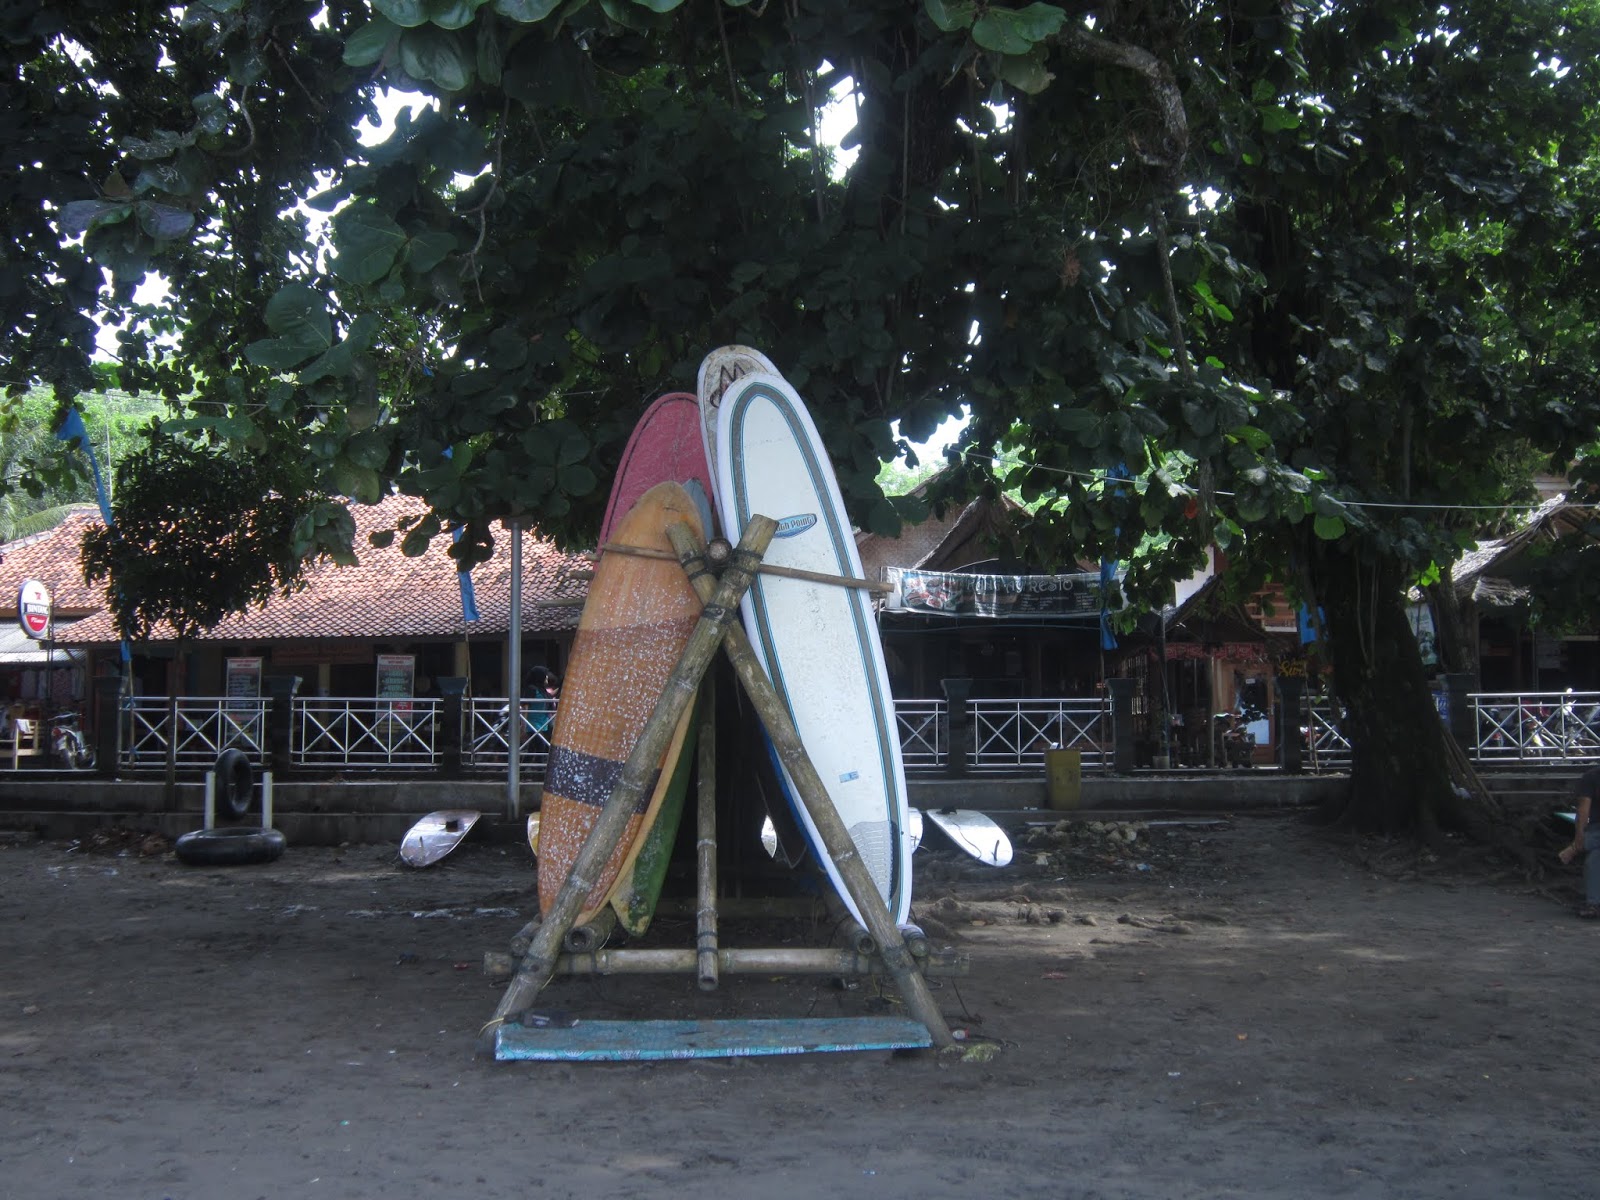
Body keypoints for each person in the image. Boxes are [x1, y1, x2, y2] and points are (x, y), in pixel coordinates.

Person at [1558, 764, 1600, 918]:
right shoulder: (1592, 776)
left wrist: (1579, 843)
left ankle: (1575, 848)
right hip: (1597, 829)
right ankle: (1594, 904)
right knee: (1596, 857)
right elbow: (1583, 808)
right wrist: (1579, 834)